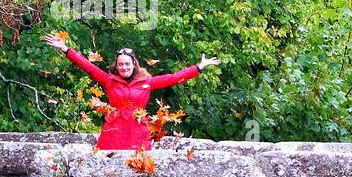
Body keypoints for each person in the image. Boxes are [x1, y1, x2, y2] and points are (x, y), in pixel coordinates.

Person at [42, 33, 219, 151]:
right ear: (116, 66)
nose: (124, 67)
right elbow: (87, 66)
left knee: (139, 167)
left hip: (138, 130)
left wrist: (199, 67)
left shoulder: (147, 82)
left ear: (134, 64)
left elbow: (174, 77)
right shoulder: (108, 80)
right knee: (107, 166)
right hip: (114, 129)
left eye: (127, 63)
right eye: (121, 64)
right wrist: (66, 49)